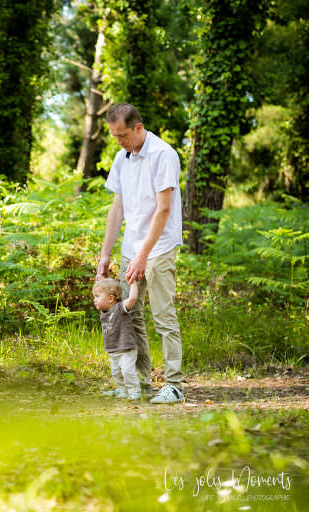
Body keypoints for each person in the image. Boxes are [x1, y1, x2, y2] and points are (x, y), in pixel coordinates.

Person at [96, 103, 184, 405]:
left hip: (158, 249)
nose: (119, 142)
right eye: (114, 136)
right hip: (131, 249)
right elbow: (117, 208)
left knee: (164, 316)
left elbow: (164, 210)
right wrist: (106, 254)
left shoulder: (163, 155)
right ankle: (141, 384)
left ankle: (174, 385)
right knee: (129, 316)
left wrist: (143, 255)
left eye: (122, 135)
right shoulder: (122, 158)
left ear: (137, 127)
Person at [94, 278, 140, 399]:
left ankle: (134, 391)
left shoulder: (120, 308)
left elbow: (133, 299)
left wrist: (133, 283)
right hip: (113, 350)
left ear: (110, 298)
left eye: (97, 296)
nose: (94, 300)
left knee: (127, 371)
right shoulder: (104, 312)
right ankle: (124, 391)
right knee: (116, 373)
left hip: (126, 349)